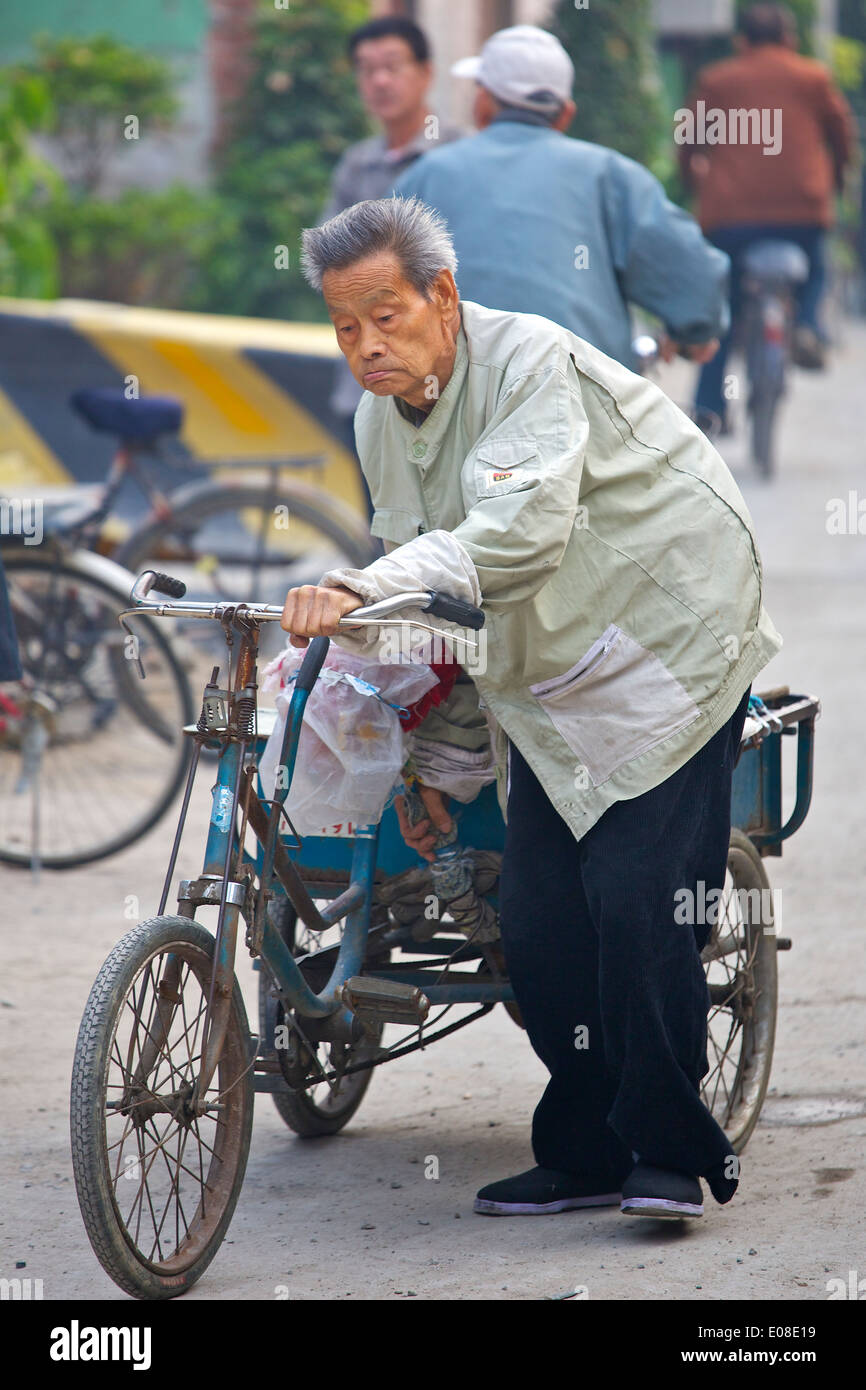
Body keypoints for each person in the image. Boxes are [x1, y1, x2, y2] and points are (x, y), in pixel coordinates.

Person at [280, 196, 783, 1220]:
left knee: (637, 899)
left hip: (667, 635)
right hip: (549, 665)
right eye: (343, 327)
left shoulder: (528, 365)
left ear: (443, 296)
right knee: (540, 926)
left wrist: (361, 593)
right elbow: (446, 605)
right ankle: (588, 1145)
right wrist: (441, 755)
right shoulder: (381, 419)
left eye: (386, 315)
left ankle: (668, 1149)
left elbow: (509, 535)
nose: (366, 345)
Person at [391, 24, 728, 371]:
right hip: (580, 399)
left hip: (450, 400)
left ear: (483, 102)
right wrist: (694, 330)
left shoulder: (424, 177)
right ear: (565, 114)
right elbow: (696, 281)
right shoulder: (611, 175)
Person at [679, 2, 856, 426]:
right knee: (816, 269)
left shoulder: (716, 80)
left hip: (730, 216)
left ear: (742, 41)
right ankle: (808, 323)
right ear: (789, 40)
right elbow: (841, 136)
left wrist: (694, 182)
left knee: (724, 307)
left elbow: (689, 141)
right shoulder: (814, 77)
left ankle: (709, 406)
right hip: (802, 211)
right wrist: (836, 181)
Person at [321, 15, 465, 516]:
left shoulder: (459, 156)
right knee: (385, 533)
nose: (379, 81)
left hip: (443, 385)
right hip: (368, 388)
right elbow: (323, 266)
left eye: (392, 67)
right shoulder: (357, 166)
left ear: (425, 73)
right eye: (366, 70)